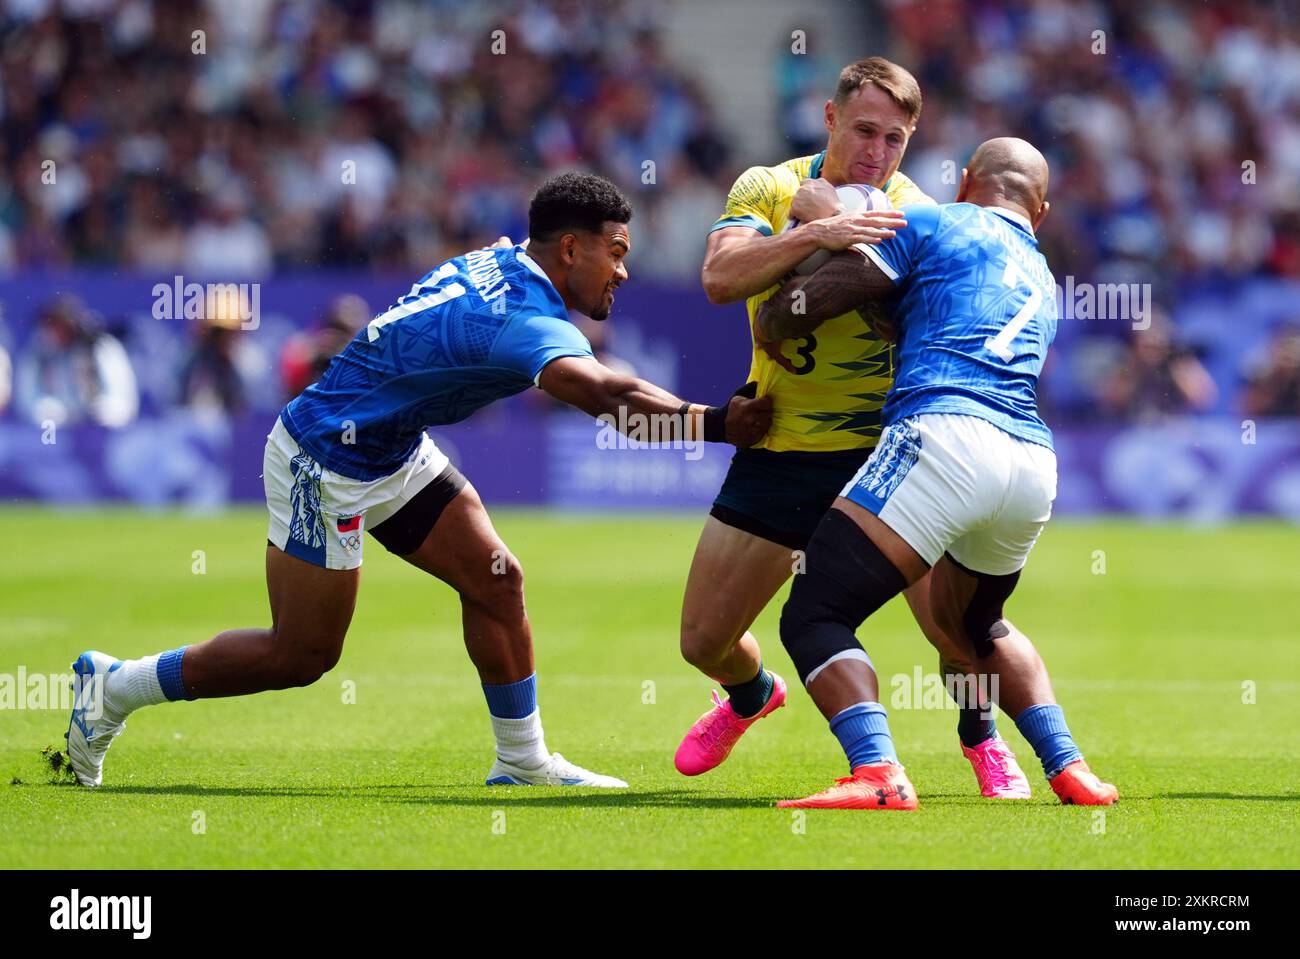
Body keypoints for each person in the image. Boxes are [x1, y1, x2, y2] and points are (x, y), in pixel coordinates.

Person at [65, 172, 772, 790]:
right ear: (569, 249)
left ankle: (522, 759)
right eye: (616, 252)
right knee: (302, 654)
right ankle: (114, 689)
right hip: (323, 458)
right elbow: (609, 399)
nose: (623, 271)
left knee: (496, 579)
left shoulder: (502, 259)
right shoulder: (524, 317)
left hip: (391, 446)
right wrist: (716, 424)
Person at [676, 57, 1032, 800]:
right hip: (782, 444)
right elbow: (720, 278)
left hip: (889, 452)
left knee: (955, 630)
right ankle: (751, 695)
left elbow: (899, 314)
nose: (877, 150)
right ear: (831, 118)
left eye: (896, 138)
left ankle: (982, 741)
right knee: (703, 641)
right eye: (865, 129)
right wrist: (824, 229)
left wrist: (836, 241)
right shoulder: (768, 186)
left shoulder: (914, 212)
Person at [755, 137, 1118, 808]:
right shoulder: (1042, 276)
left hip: (945, 434)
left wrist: (783, 308)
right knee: (977, 628)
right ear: (1039, 211)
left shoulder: (932, 221)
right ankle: (1068, 766)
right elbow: (914, 313)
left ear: (965, 183)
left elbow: (824, 297)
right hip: (1031, 462)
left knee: (816, 610)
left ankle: (878, 772)